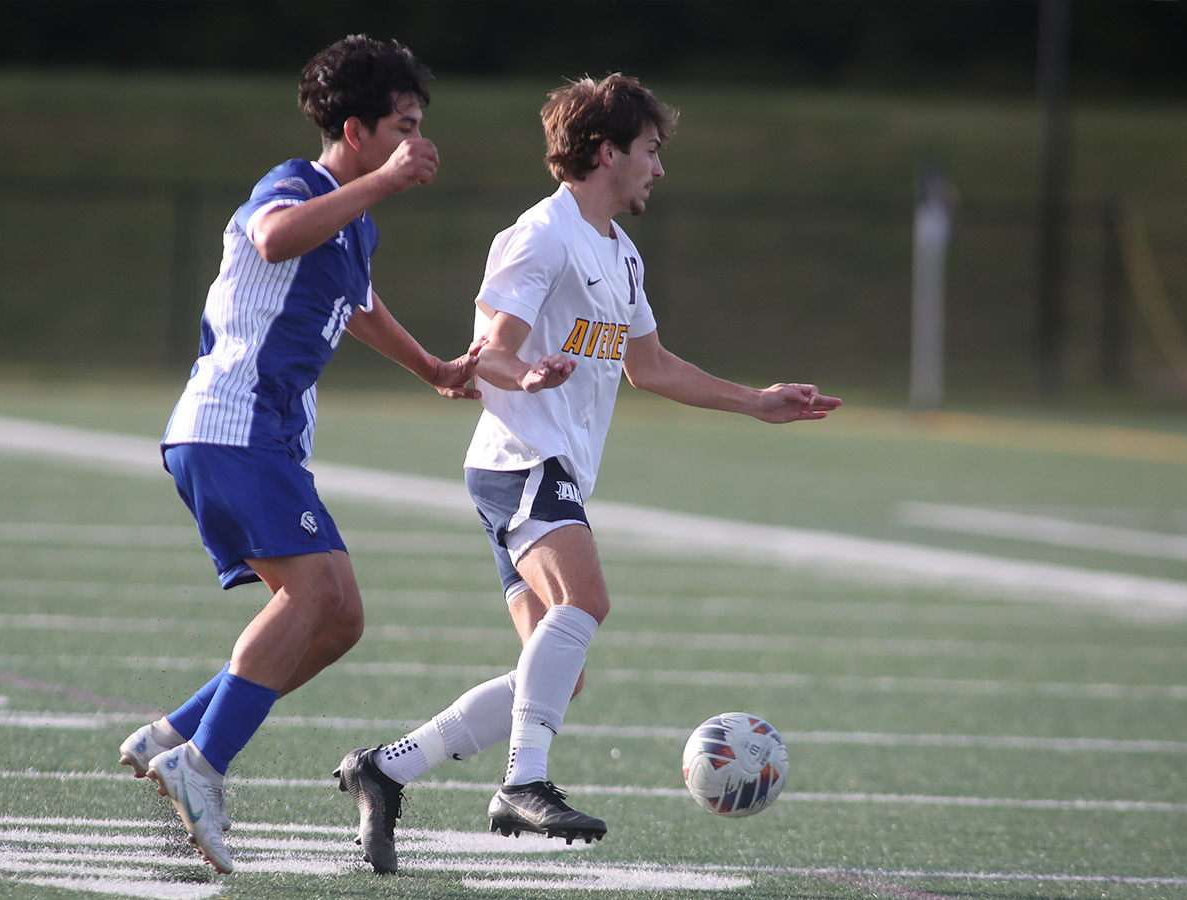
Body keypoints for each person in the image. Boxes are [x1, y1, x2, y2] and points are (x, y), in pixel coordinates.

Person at [334, 73, 841, 874]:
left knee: (553, 680)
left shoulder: (620, 254)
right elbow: (489, 349)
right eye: (650, 150)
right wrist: (524, 373)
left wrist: (757, 401)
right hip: (521, 462)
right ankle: (522, 783)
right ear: (605, 151)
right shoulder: (542, 235)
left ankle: (385, 768)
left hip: (546, 469)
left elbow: (653, 367)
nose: (658, 169)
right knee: (588, 601)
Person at [115, 35, 482, 875]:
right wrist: (382, 183)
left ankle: (175, 732)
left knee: (339, 616)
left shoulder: (352, 222)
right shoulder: (296, 184)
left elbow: (361, 307)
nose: (417, 140)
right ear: (354, 130)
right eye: (403, 124)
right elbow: (275, 240)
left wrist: (434, 368)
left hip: (262, 436)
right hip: (233, 426)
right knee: (314, 592)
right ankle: (201, 766)